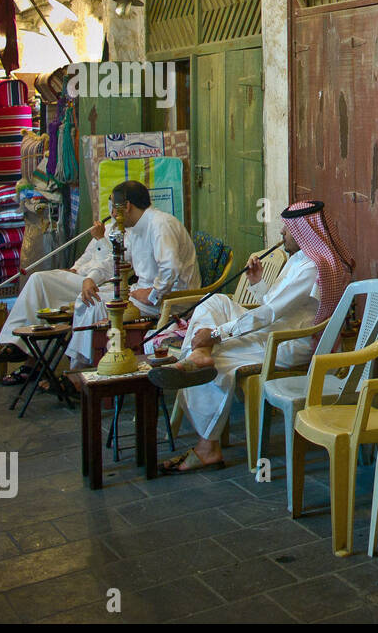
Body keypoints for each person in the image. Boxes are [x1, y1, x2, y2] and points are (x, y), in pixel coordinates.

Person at [149, 200, 353, 473]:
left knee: (221, 360)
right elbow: (273, 303)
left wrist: (218, 334)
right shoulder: (299, 259)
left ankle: (207, 447)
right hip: (275, 330)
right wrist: (257, 282)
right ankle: (199, 355)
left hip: (291, 343)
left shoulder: (314, 267)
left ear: (305, 230)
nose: (282, 233)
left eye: (288, 228)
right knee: (216, 302)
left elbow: (270, 313)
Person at [67, 180, 199, 367]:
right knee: (86, 298)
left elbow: (171, 268)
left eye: (114, 206)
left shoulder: (160, 224)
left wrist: (153, 294)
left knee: (96, 306)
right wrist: (91, 278)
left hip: (172, 299)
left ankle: (88, 367)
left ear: (126, 206)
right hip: (145, 294)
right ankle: (82, 365)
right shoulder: (135, 229)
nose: (112, 213)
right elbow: (116, 260)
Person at [0, 215, 115, 382]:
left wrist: (100, 239)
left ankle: (21, 346)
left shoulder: (128, 231)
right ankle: (29, 357)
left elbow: (111, 264)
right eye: (112, 205)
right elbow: (86, 256)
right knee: (41, 296)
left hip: (97, 283)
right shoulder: (109, 227)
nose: (113, 210)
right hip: (79, 278)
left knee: (38, 280)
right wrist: (73, 268)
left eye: (117, 205)